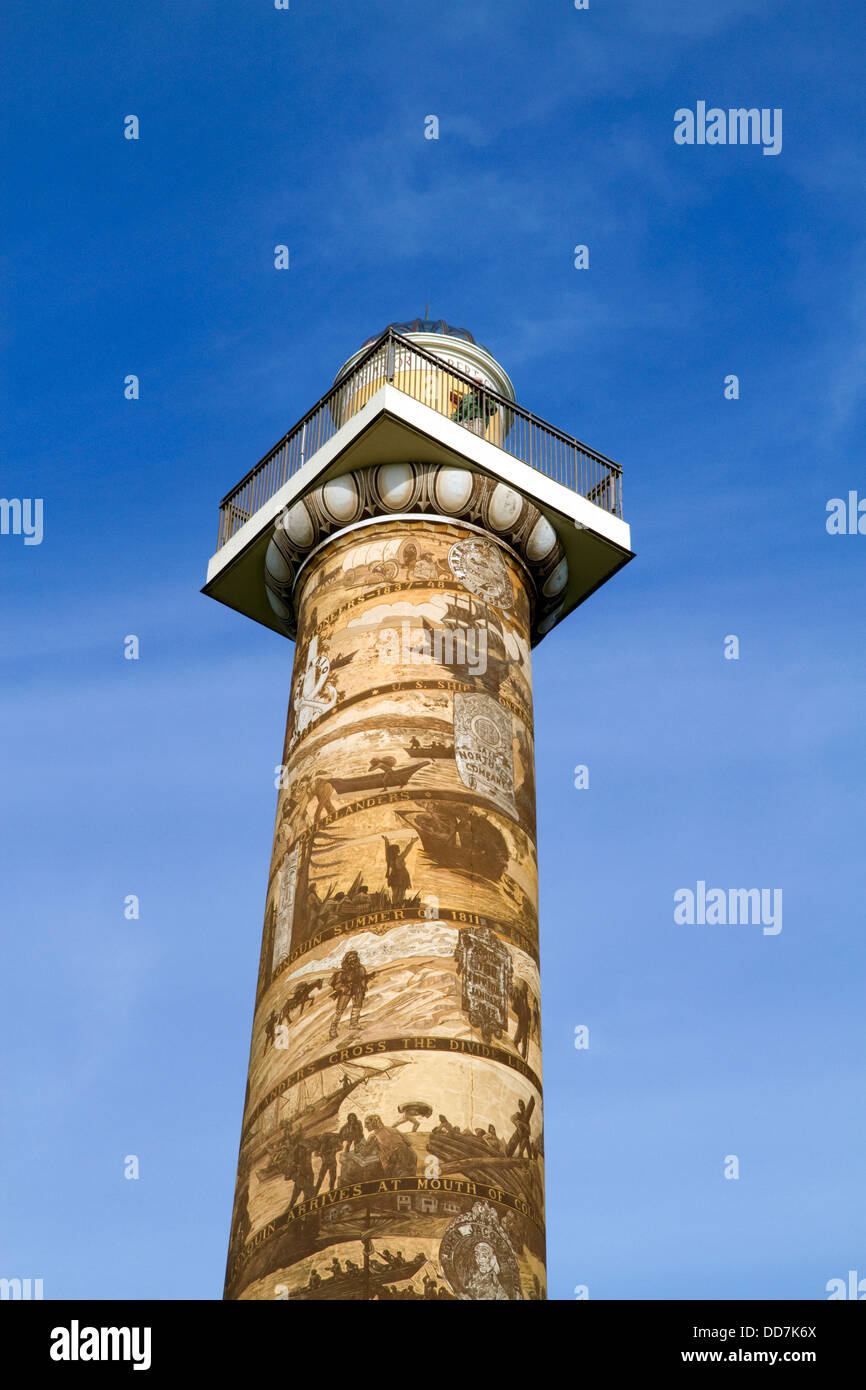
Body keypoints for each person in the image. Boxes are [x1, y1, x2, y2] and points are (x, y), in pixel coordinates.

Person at [329, 950, 369, 1037]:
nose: (352, 959)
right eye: (350, 958)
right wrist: (343, 988)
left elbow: (363, 978)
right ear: (347, 960)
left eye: (354, 957)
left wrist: (363, 986)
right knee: (340, 1010)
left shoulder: (361, 968)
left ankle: (353, 1024)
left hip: (357, 990)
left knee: (357, 1006)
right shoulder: (342, 972)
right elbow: (337, 984)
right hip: (346, 991)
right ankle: (333, 1029)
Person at [382, 835, 415, 906]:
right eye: (398, 849)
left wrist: (386, 841)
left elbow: (387, 849)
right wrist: (411, 843)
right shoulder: (399, 858)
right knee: (401, 893)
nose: (399, 850)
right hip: (402, 876)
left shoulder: (389, 859)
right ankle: (398, 906)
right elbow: (406, 851)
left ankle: (395, 906)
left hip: (394, 876)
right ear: (396, 851)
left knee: (395, 893)